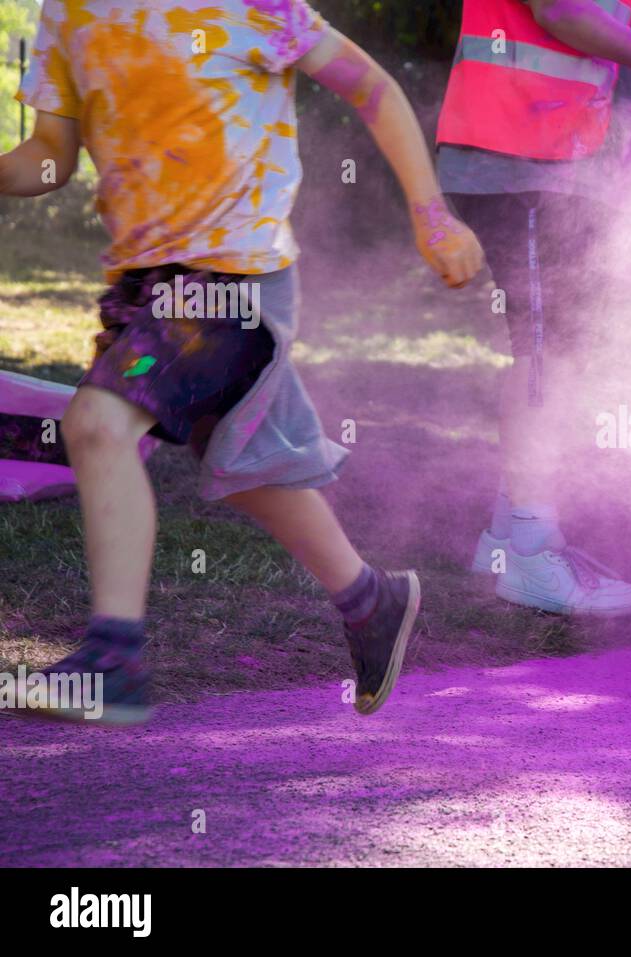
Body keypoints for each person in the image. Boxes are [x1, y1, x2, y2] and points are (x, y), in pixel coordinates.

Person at [0, 0, 484, 724]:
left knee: (97, 425)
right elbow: (50, 157)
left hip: (236, 282)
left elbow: (372, 88)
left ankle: (114, 662)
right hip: (145, 284)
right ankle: (370, 600)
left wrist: (432, 215)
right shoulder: (71, 12)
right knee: (251, 470)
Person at [436, 0, 631, 616]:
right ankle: (530, 550)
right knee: (548, 352)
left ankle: (504, 538)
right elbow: (558, 11)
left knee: (558, 350)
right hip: (519, 155)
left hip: (562, 165)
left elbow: (620, 71)